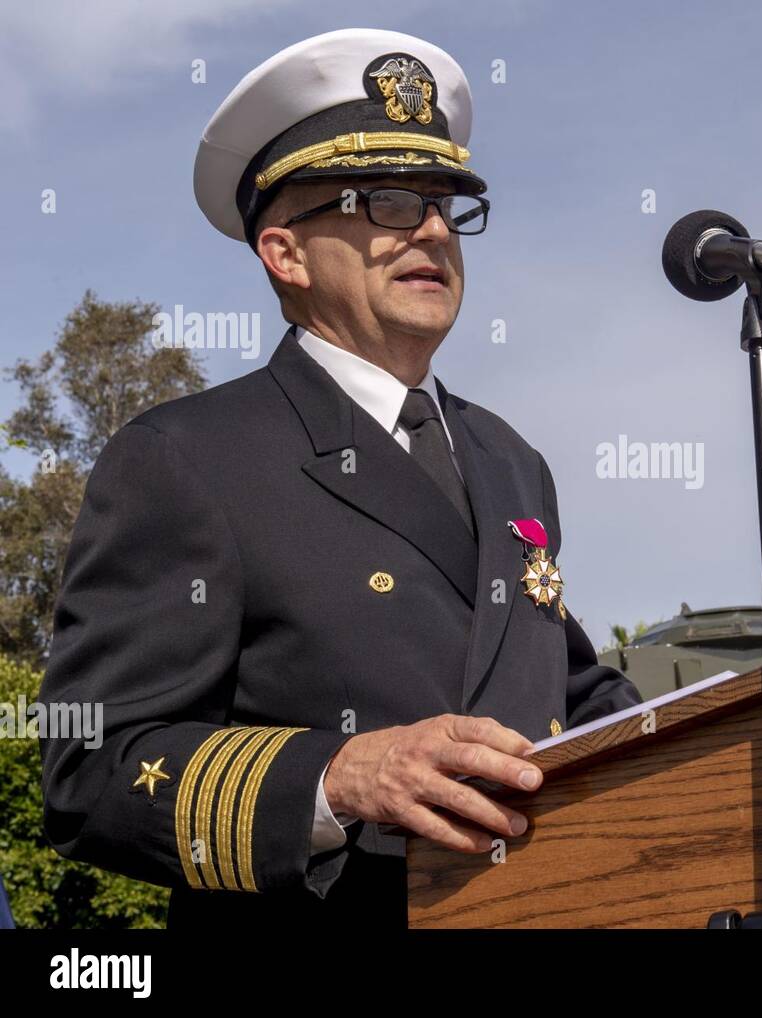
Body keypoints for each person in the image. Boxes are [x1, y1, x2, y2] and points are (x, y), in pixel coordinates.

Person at [38, 28, 641, 928]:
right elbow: (91, 767)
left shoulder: (512, 459)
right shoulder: (188, 456)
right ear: (285, 254)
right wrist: (337, 776)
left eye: (446, 204)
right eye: (388, 201)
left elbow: (564, 687)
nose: (433, 228)